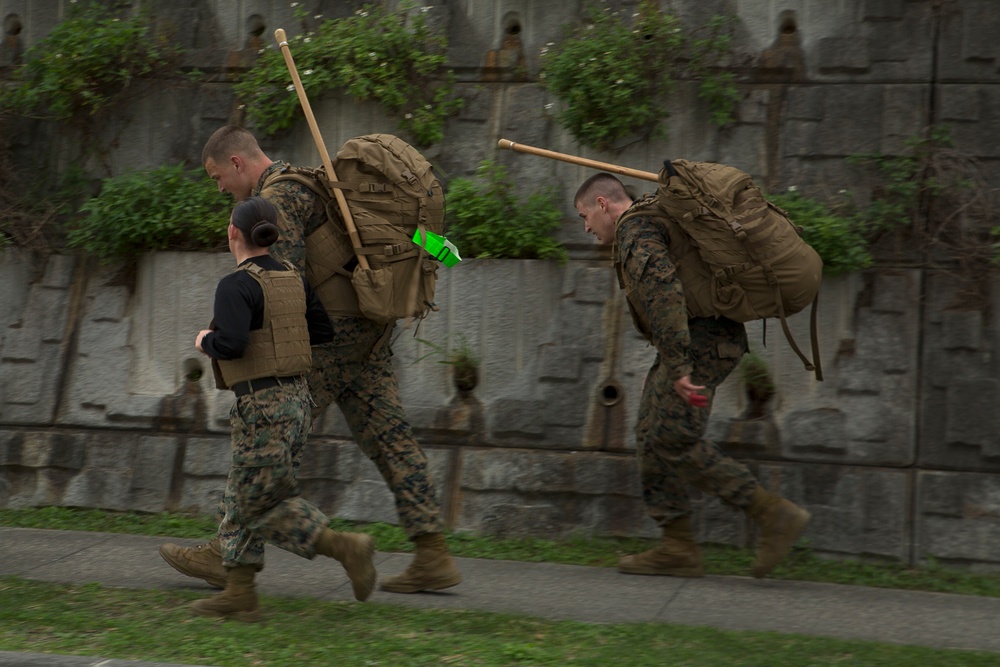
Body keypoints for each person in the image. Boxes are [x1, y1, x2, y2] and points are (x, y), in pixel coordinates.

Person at [160, 126, 461, 594]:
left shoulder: (278, 200)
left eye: (218, 177)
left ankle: (229, 554)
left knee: (260, 439)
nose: (219, 188)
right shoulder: (312, 181)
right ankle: (432, 551)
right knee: (390, 436)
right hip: (369, 328)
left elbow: (277, 282)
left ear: (237, 163)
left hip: (330, 339)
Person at [573, 172, 810, 579]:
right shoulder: (652, 216)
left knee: (673, 438)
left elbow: (664, 291)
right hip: (695, 341)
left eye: (584, 216)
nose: (585, 228)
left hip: (701, 342)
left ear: (603, 204)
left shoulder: (636, 229)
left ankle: (772, 514)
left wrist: (680, 366)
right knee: (651, 432)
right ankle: (677, 546)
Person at [182, 196, 377, 621]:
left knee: (261, 502)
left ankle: (344, 546)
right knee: (240, 495)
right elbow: (322, 331)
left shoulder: (236, 284)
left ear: (233, 232)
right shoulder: (294, 278)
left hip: (263, 405)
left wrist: (204, 341)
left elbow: (231, 344)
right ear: (272, 233)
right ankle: (240, 593)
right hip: (297, 401)